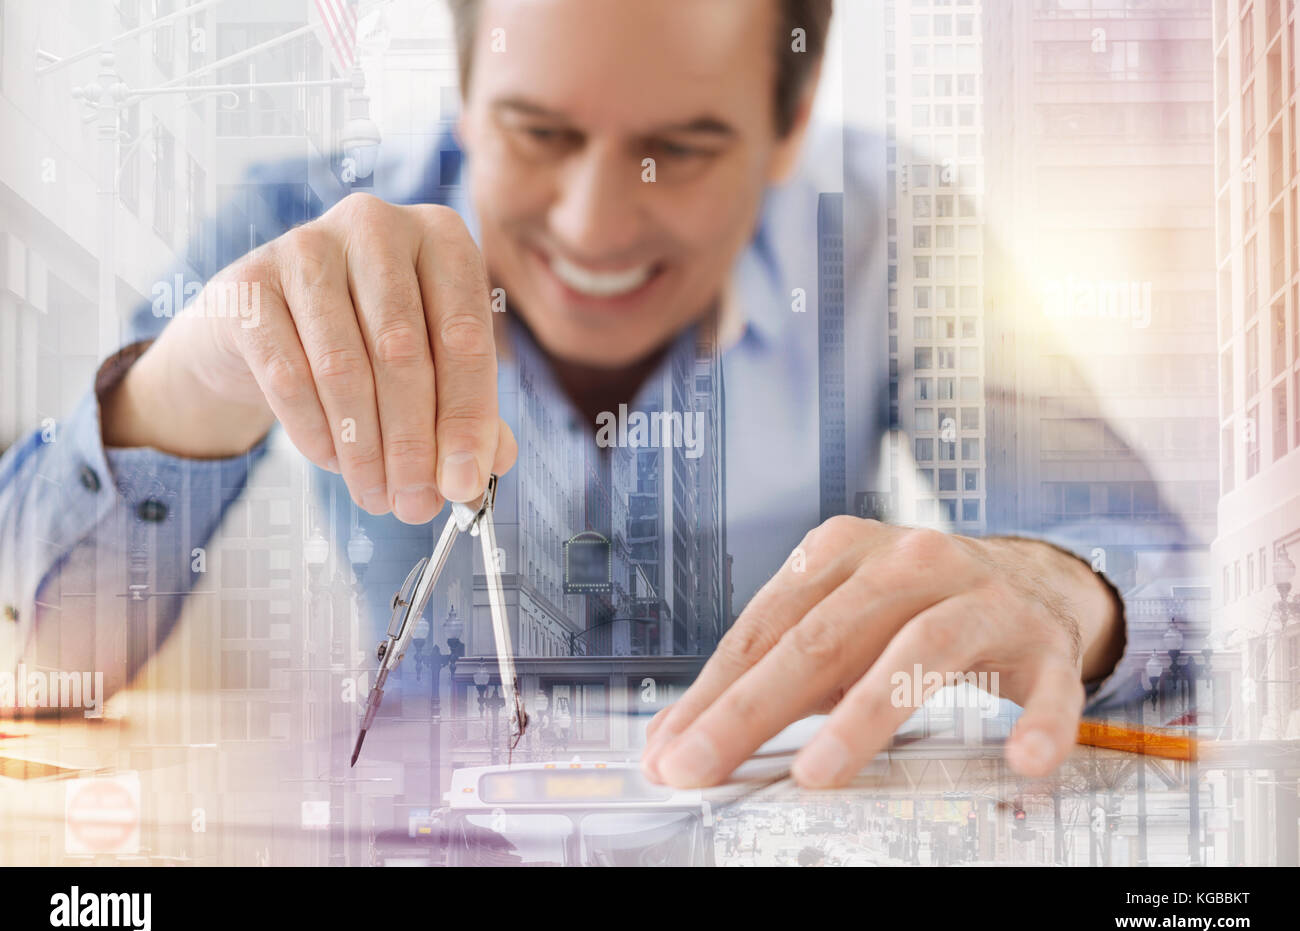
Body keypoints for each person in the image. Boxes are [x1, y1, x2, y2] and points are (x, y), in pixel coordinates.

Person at [0, 0, 1189, 792]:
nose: (594, 225)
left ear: (790, 119)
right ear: (465, 92)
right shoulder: (289, 227)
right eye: (536, 133)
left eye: (684, 145)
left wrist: (1069, 591)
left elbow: (1172, 582)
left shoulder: (896, 232)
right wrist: (179, 393)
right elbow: (35, 668)